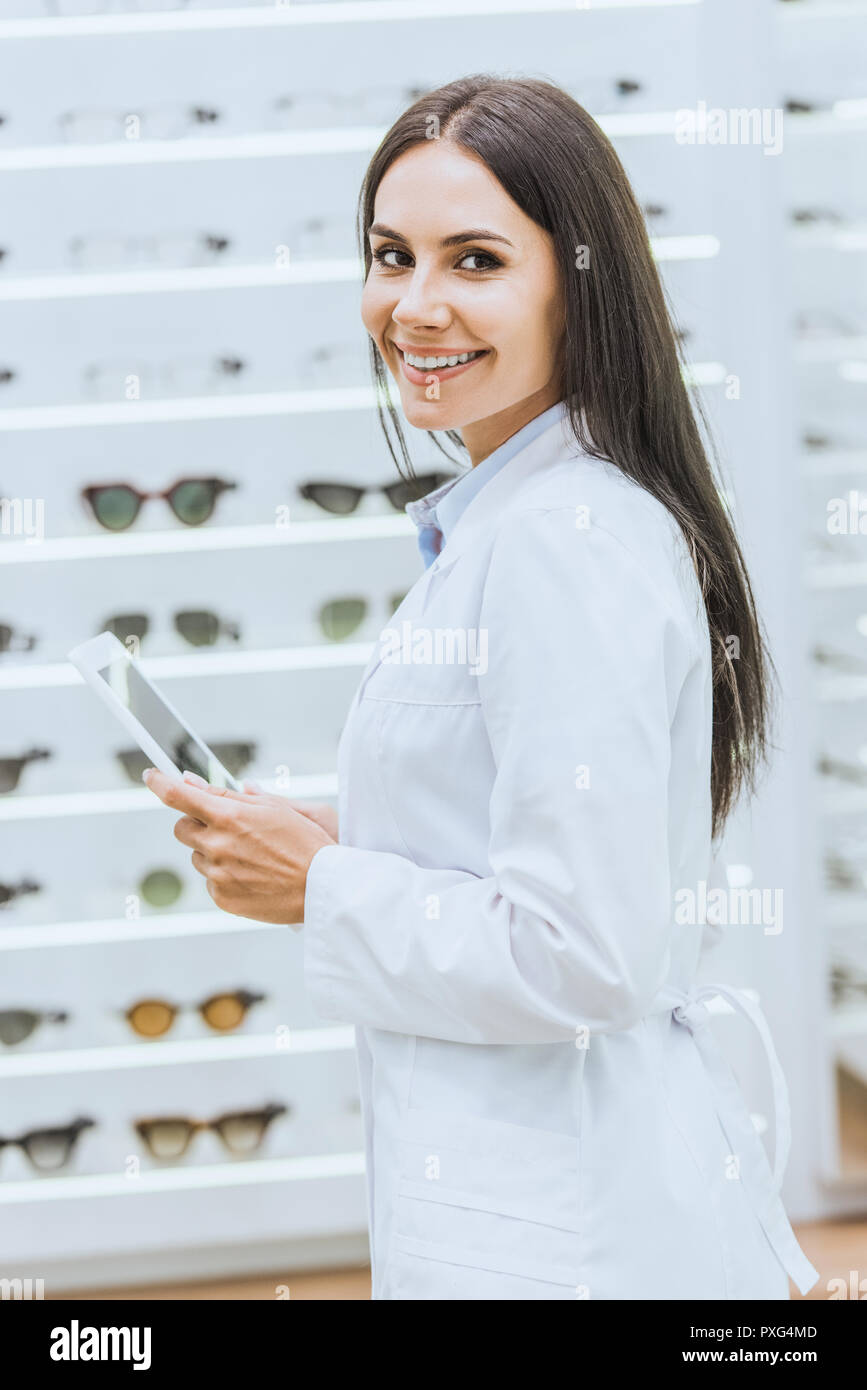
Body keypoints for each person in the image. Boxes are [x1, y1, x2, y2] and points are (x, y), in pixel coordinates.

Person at [144, 75, 820, 1301]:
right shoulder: (530, 520)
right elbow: (543, 854)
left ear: (580, 281)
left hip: (576, 1234)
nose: (415, 306)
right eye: (389, 256)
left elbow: (588, 952)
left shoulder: (567, 544)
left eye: (474, 260)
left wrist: (325, 888)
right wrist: (351, 840)